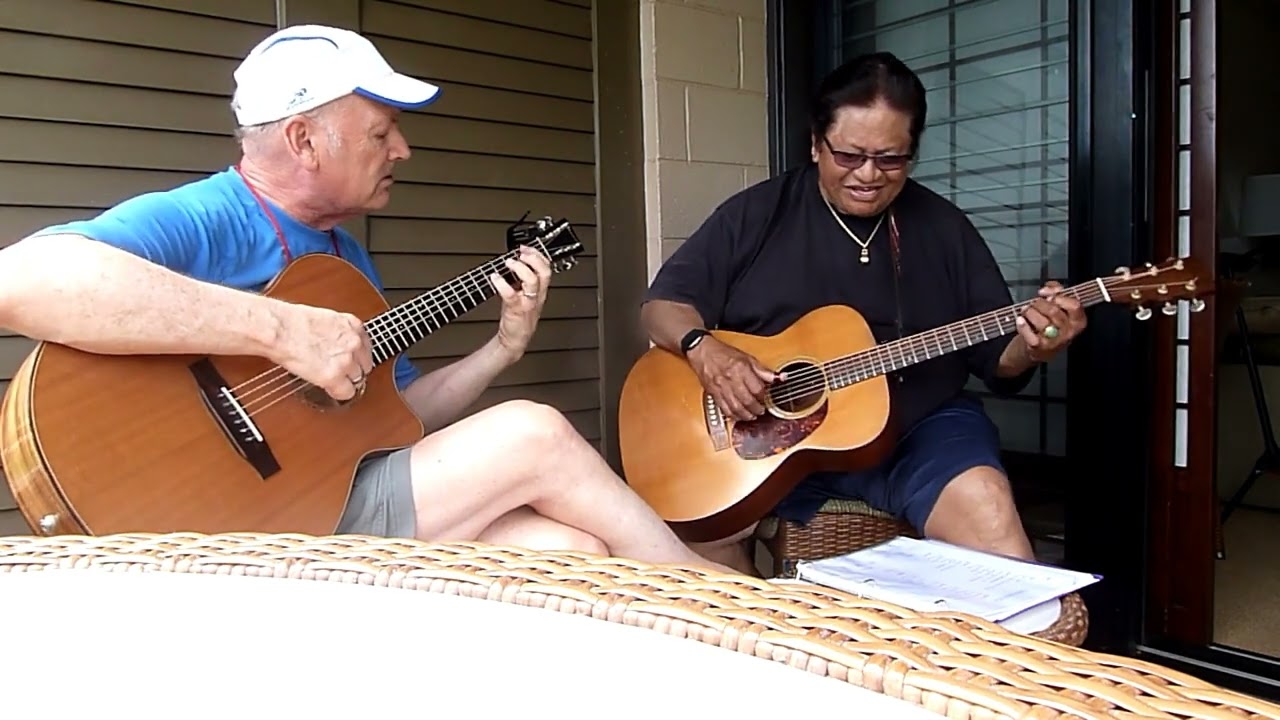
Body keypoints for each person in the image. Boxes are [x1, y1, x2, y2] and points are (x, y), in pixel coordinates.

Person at [0, 24, 736, 575]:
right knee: (533, 432)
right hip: (231, 522)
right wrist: (278, 329)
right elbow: (20, 282)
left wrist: (503, 346)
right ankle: (707, 594)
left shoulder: (344, 259)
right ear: (303, 139)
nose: (402, 151)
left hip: (323, 497)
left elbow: (401, 421)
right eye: (381, 132)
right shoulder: (207, 217)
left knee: (568, 550)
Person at [640, 51, 1086, 575]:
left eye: (891, 159)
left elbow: (999, 359)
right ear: (815, 143)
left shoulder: (944, 229)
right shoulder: (758, 214)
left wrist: (1037, 343)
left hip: (918, 430)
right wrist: (706, 351)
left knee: (999, 543)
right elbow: (661, 306)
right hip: (765, 438)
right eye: (849, 156)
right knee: (691, 539)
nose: (869, 175)